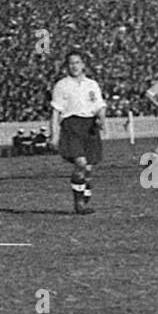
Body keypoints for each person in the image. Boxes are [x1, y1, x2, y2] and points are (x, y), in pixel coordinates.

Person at [49, 51, 106, 214]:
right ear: (67, 66)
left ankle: (85, 193)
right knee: (80, 163)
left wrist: (102, 119)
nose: (74, 66)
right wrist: (55, 135)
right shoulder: (62, 85)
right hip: (71, 125)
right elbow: (55, 111)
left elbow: (99, 106)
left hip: (89, 126)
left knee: (88, 168)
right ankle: (79, 203)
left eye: (77, 62)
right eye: (71, 63)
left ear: (83, 65)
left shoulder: (91, 84)